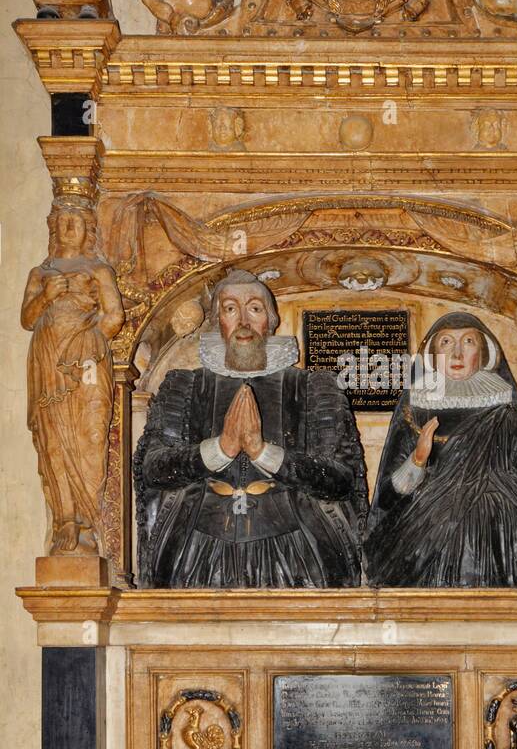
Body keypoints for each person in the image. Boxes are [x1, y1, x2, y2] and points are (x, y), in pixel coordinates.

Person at [135, 270, 366, 588]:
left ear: (271, 322)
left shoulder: (314, 388)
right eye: (230, 309)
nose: (243, 320)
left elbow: (339, 479)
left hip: (293, 551)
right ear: (219, 322)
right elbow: (154, 468)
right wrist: (220, 449)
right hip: (200, 550)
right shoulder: (184, 386)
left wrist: (263, 452)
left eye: (254, 308)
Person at [364, 311, 517, 588]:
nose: (458, 354)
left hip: (503, 525)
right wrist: (418, 460)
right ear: (433, 353)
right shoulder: (417, 404)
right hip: (430, 523)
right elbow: (390, 496)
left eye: (469, 342)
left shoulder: (503, 406)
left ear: (484, 352)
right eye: (447, 343)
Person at [21, 188, 124, 554]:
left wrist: (90, 341)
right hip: (49, 362)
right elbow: (27, 319)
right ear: (53, 227)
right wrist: (46, 297)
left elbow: (114, 317)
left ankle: (90, 518)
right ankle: (68, 520)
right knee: (53, 440)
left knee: (91, 438)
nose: (69, 226)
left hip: (88, 362)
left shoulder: (98, 270)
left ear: (88, 228)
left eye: (77, 221)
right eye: (62, 220)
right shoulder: (41, 272)